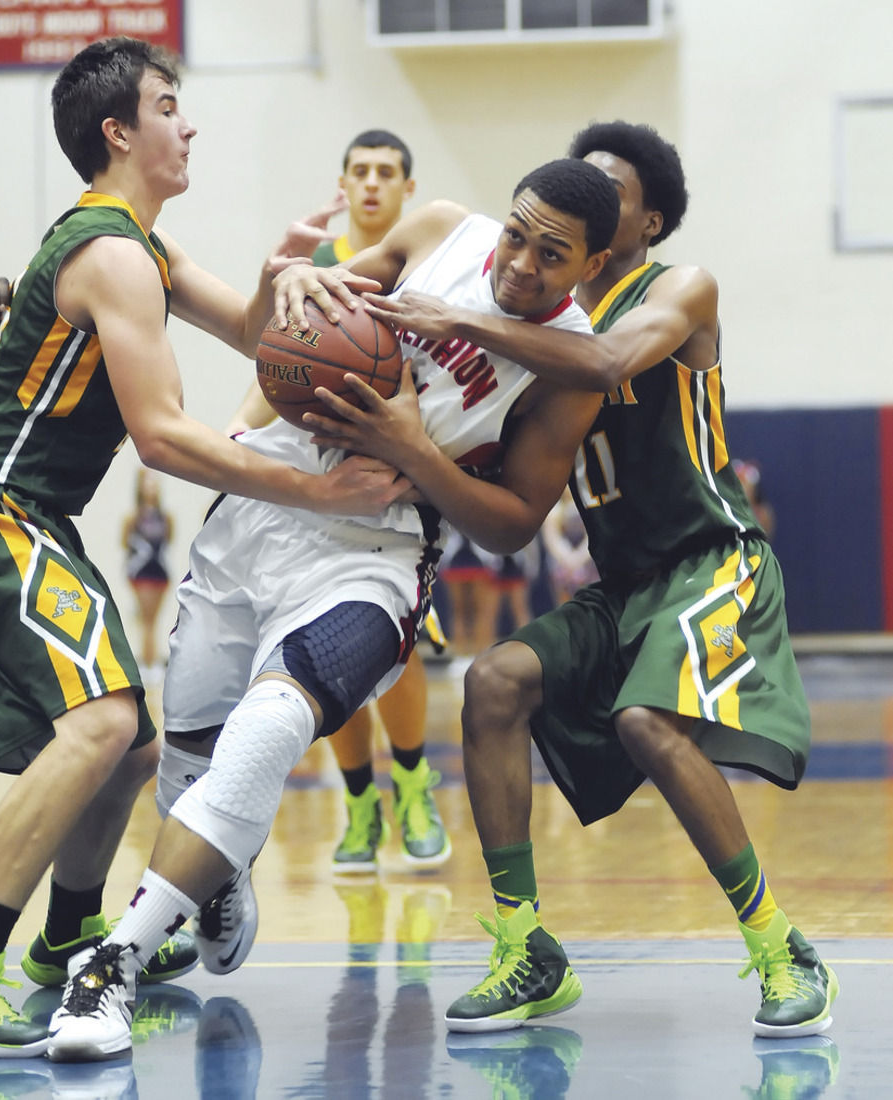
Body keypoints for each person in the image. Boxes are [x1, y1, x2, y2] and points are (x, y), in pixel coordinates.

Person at [45, 154, 621, 1061]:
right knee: (189, 754)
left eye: (551, 255)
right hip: (258, 509)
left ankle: (111, 963)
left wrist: (412, 448)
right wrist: (303, 281)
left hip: (375, 550)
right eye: (517, 234)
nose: (519, 263)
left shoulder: (569, 367)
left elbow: (511, 524)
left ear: (589, 265)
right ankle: (217, 872)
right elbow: (308, 314)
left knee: (270, 725)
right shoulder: (440, 228)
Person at [0, 36, 405, 1060]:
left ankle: (67, 939)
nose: (188, 121)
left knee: (136, 749)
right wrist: (315, 487)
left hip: (27, 510)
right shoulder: (109, 253)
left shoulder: (141, 247)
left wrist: (282, 278)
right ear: (120, 131)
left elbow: (259, 339)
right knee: (103, 722)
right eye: (169, 105)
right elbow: (161, 436)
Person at [406, 120, 836, 1038]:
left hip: (712, 560)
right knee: (492, 684)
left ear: (639, 229)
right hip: (624, 583)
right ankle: (525, 949)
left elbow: (606, 361)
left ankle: (778, 946)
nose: (586, 193)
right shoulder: (536, 323)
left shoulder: (678, 290)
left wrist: (454, 316)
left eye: (610, 189)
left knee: (647, 719)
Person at [269, 129, 450, 874]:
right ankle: (359, 801)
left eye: (386, 173)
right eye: (360, 172)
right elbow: (276, 361)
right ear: (342, 184)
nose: (372, 184)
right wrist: (240, 427)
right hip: (325, 468)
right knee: (326, 639)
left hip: (405, 476)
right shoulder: (313, 265)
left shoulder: (429, 263)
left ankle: (411, 781)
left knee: (396, 648)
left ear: (409, 189)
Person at [122, 467, 174, 674]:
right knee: (145, 620)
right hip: (140, 573)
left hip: (159, 572)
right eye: (147, 482)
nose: (152, 486)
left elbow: (168, 541)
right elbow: (125, 543)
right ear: (140, 486)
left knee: (154, 620)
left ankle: (152, 662)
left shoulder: (165, 517)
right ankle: (145, 663)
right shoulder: (133, 518)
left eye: (155, 481)